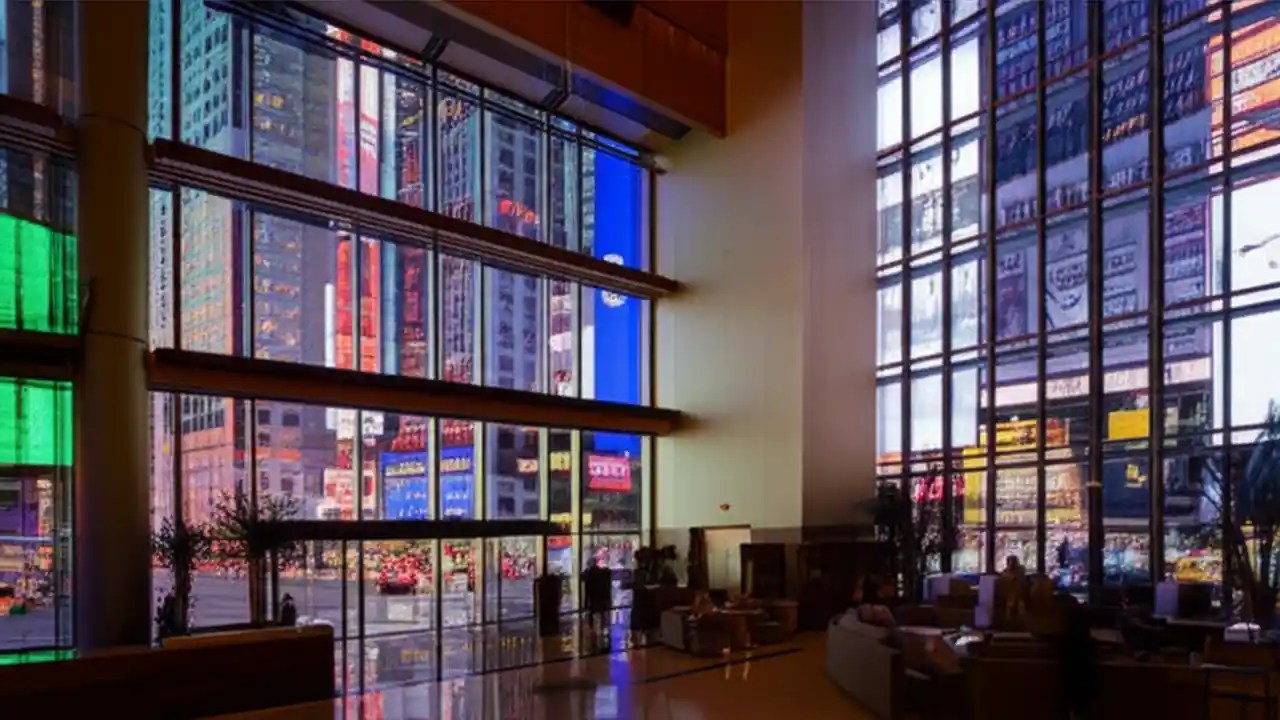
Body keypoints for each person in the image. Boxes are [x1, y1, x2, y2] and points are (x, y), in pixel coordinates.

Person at [582, 559, 613, 638]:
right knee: (603, 613)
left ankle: (593, 629)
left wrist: (585, 604)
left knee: (593, 613)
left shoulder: (589, 574)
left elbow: (587, 590)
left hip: (594, 597)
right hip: (602, 597)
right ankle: (603, 629)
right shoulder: (602, 573)